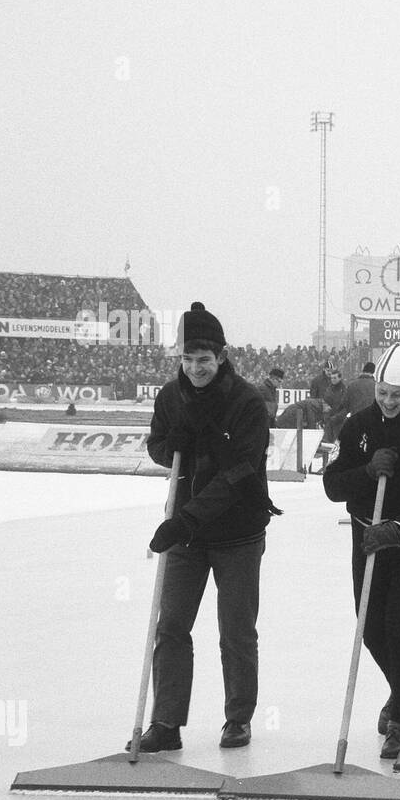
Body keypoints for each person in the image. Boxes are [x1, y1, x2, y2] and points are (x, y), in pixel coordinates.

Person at [131, 302, 281, 753]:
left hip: (237, 532)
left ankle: (238, 718)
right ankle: (166, 722)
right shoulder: (170, 398)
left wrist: (184, 521)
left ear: (222, 356)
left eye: (204, 360)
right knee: (171, 625)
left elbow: (237, 477)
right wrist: (167, 446)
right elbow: (158, 445)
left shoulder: (247, 403)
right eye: (188, 360)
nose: (196, 369)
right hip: (187, 534)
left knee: (235, 630)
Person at [322, 344, 400, 758]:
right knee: (371, 628)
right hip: (366, 540)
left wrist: (397, 528)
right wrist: (366, 470)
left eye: (398, 393)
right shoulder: (356, 425)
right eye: (383, 392)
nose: (390, 401)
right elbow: (332, 486)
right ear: (375, 385)